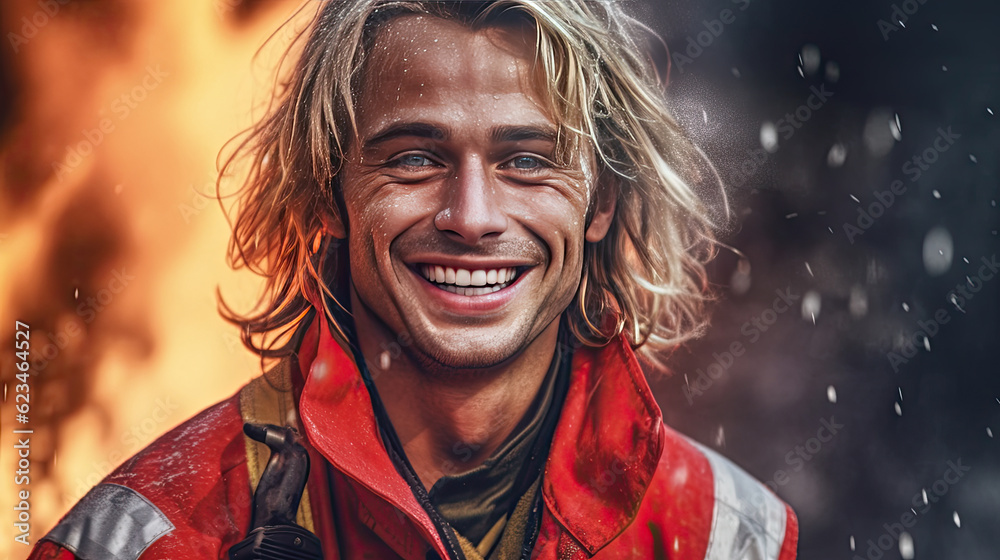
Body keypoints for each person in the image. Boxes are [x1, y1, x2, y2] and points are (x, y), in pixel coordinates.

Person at [30, 1, 798, 558]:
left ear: (601, 203)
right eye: (414, 158)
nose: (471, 216)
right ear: (327, 193)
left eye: (527, 160)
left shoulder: (727, 537)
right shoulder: (145, 541)